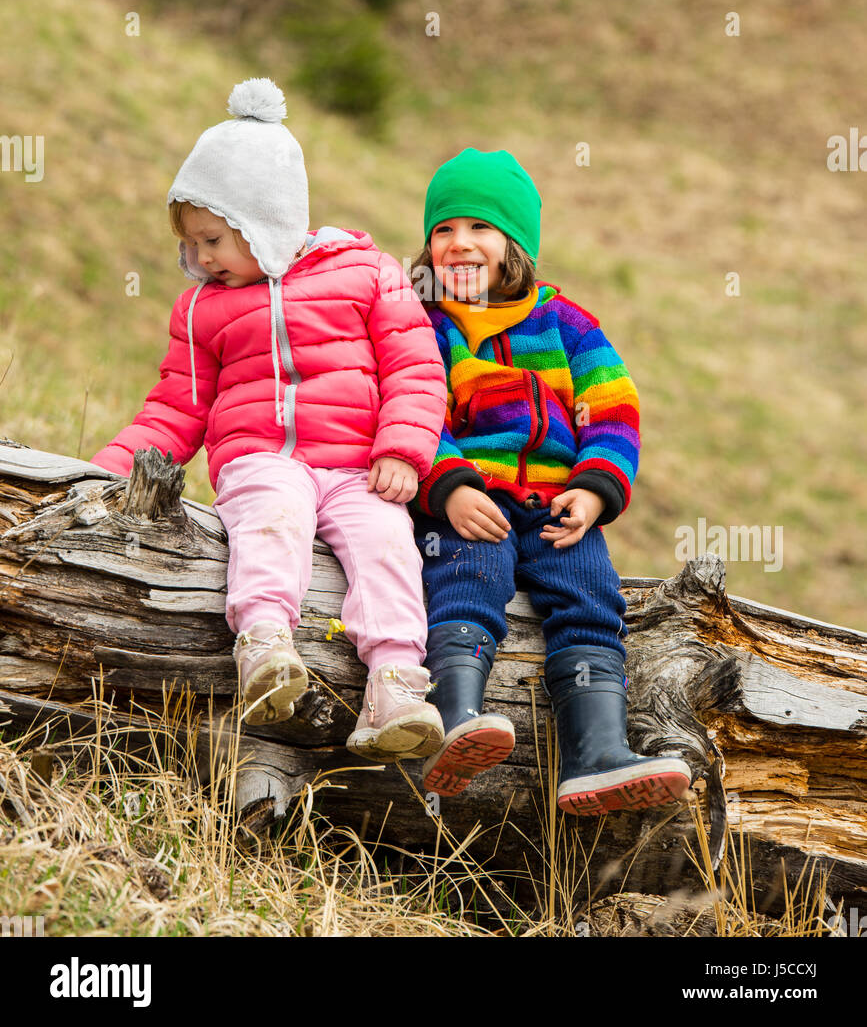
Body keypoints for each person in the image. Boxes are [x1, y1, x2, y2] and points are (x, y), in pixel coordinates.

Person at [90, 77, 448, 763]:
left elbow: (414, 367)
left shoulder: (368, 274)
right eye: (190, 242)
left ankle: (395, 683)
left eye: (213, 238)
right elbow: (174, 406)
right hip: (260, 457)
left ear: (265, 220)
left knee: (387, 545)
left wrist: (401, 448)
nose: (198, 258)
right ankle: (265, 646)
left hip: (354, 467)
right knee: (269, 519)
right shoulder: (201, 310)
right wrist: (103, 470)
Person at [408, 147, 692, 814]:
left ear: (515, 246)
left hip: (554, 505)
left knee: (591, 598)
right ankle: (454, 721)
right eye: (443, 230)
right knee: (468, 578)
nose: (459, 243)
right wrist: (449, 487)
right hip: (470, 502)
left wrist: (594, 489)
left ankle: (594, 754)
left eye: (479, 228)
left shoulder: (566, 324)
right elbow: (411, 410)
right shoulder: (424, 325)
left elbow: (614, 409)